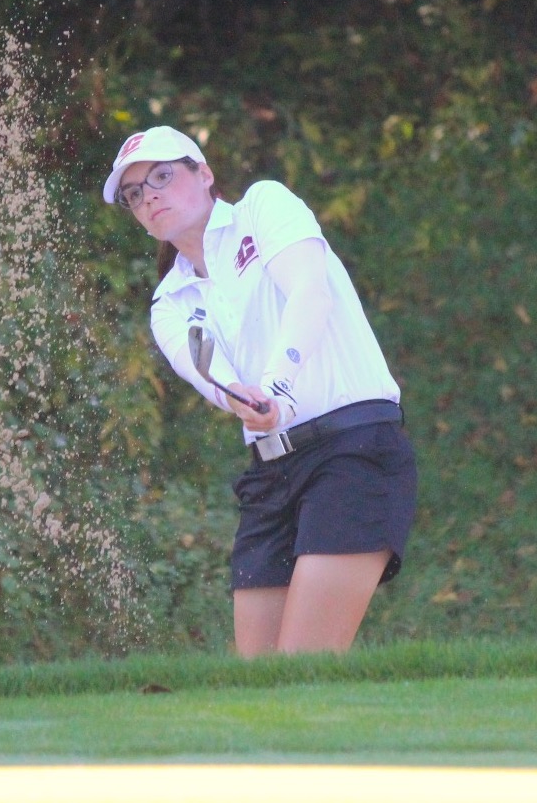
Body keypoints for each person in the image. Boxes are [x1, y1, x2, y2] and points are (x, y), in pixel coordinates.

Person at [103, 126, 417, 656]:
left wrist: (276, 388)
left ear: (204, 175)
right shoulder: (169, 304)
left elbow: (309, 294)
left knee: (302, 667)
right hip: (271, 476)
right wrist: (245, 400)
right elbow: (216, 380)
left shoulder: (263, 207)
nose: (149, 195)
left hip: (353, 452)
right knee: (259, 682)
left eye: (161, 176)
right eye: (134, 193)